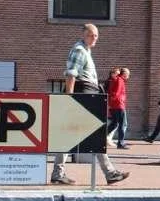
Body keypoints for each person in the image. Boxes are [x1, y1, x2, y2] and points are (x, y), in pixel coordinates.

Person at [51, 24, 129, 185]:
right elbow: (71, 74)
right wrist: (69, 99)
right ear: (84, 35)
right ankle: (110, 173)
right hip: (82, 96)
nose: (94, 38)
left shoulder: (85, 51)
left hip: (86, 95)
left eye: (96, 36)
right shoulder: (79, 50)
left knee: (69, 134)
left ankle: (58, 173)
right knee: (95, 133)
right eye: (91, 35)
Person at [106, 66, 130, 149]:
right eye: (128, 74)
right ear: (124, 74)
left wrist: (111, 104)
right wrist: (119, 103)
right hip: (119, 105)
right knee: (123, 124)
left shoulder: (114, 80)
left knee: (114, 124)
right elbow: (116, 93)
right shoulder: (120, 80)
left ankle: (101, 137)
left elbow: (111, 92)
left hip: (113, 106)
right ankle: (121, 143)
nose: (128, 76)